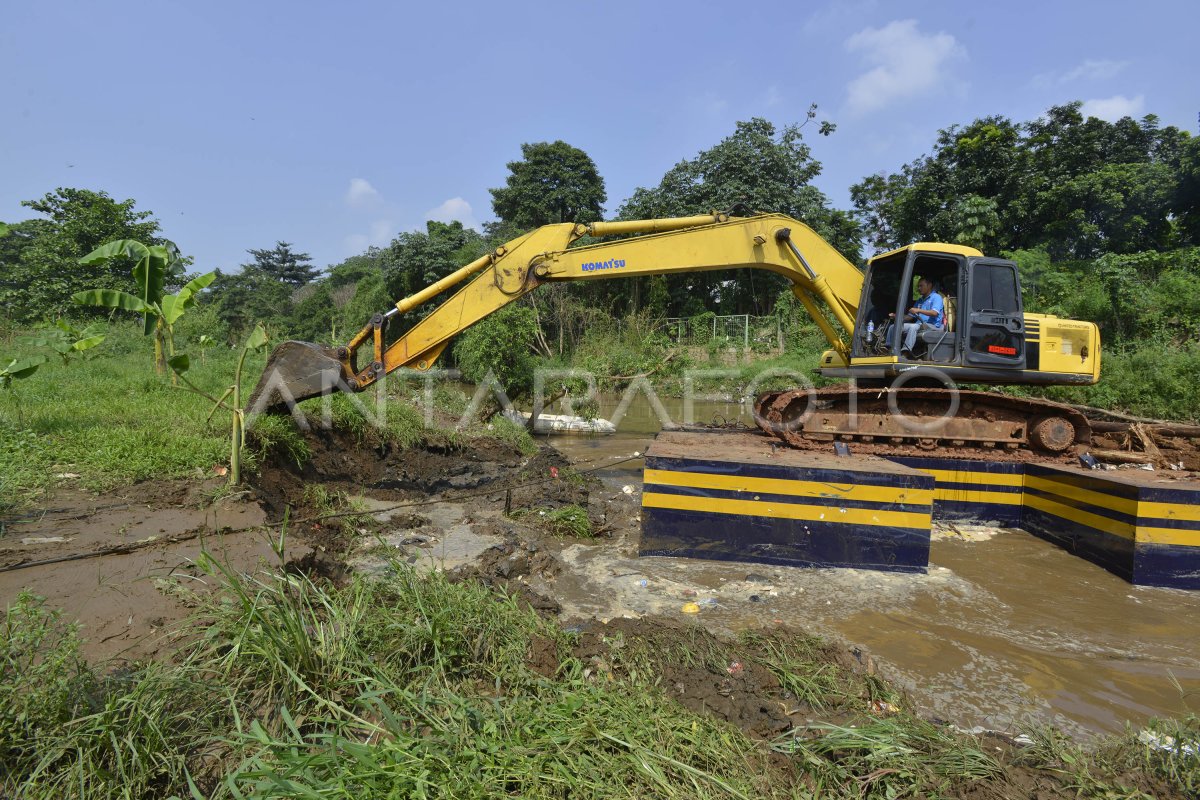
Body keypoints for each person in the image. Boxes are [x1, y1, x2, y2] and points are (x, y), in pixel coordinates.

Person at [895, 277, 944, 358]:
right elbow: (910, 317)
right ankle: (888, 347)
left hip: (933, 325)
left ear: (929, 285)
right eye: (918, 286)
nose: (919, 288)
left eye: (921, 286)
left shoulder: (936, 297)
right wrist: (897, 317)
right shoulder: (920, 300)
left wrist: (918, 310)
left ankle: (905, 352)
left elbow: (934, 313)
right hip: (920, 325)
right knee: (895, 326)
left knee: (913, 326)